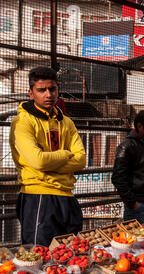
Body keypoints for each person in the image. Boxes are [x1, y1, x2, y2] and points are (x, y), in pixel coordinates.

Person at [9, 66, 86, 247]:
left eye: (52, 89)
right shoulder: (22, 122)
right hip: (38, 196)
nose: (48, 94)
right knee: (39, 256)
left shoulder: (66, 122)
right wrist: (66, 154)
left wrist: (48, 161)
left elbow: (81, 160)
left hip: (67, 196)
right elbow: (37, 160)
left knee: (71, 255)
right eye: (41, 90)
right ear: (31, 93)